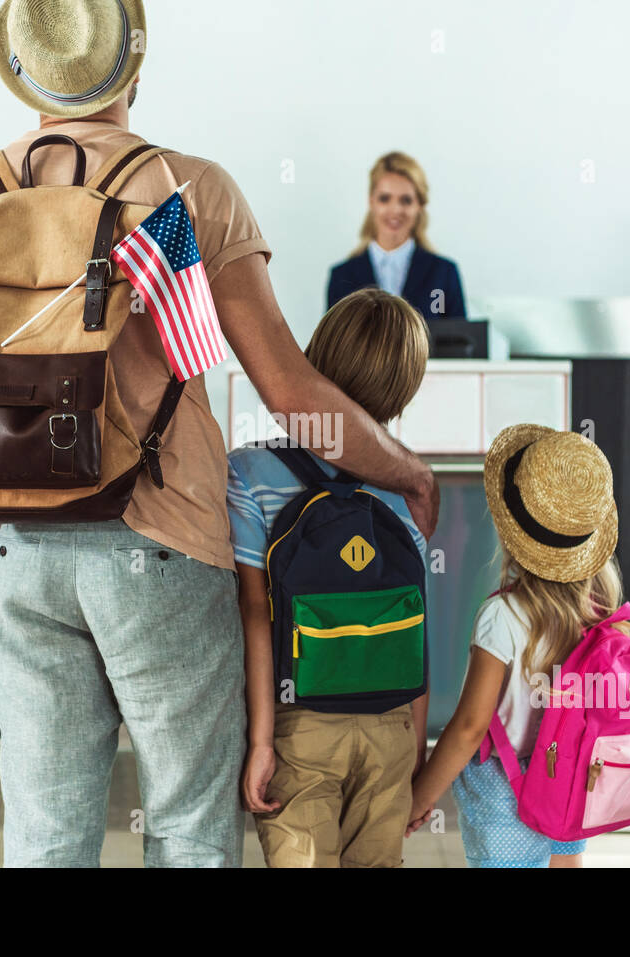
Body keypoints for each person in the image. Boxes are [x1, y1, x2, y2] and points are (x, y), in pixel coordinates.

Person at [0, 0, 439, 868]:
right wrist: (406, 468)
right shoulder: (190, 190)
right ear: (134, 70)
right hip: (163, 543)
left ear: (26, 77)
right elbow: (297, 398)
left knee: (46, 832)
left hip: (16, 551)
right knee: (186, 825)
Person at [228, 287, 430, 867]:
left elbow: (256, 616)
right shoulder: (405, 486)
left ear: (313, 362)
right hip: (390, 725)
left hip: (301, 722)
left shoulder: (249, 472)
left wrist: (263, 741)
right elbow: (416, 616)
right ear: (405, 389)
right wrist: (414, 741)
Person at [406, 424, 630, 867]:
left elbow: (469, 727)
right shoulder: (598, 614)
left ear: (510, 531)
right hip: (572, 777)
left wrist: (420, 797)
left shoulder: (503, 616)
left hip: (507, 789)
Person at [326, 151, 467, 322]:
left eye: (406, 200)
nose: (395, 210)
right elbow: (332, 345)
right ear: (371, 202)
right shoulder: (342, 276)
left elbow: (458, 344)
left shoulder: (443, 274)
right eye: (385, 199)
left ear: (420, 206)